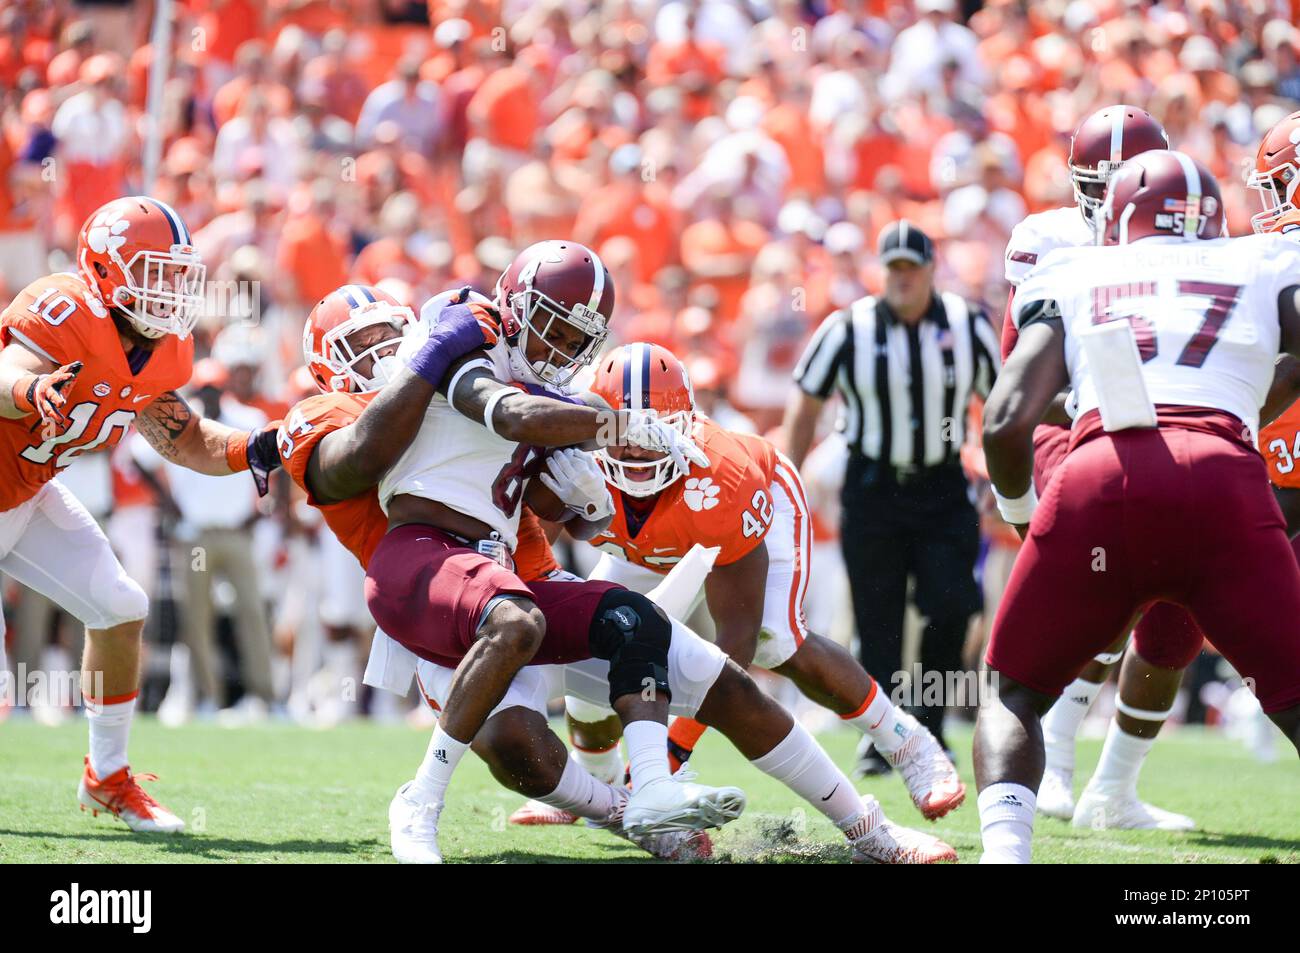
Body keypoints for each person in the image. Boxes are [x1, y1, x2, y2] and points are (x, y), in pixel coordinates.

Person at [976, 150, 1300, 863]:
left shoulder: (1072, 267)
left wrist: (1023, 512)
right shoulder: (1264, 259)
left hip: (1105, 475)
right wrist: (1247, 402)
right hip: (1225, 478)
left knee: (1012, 695)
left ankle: (1005, 856)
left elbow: (1003, 418)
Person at [510, 342, 964, 827]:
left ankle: (907, 741)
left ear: (685, 422)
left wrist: (674, 747)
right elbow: (533, 567)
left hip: (737, 506)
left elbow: (737, 640)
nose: (637, 447)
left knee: (777, 640)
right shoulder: (573, 458)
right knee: (588, 638)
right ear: (595, 424)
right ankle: (596, 787)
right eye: (623, 429)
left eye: (653, 429)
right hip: (641, 537)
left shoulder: (724, 478)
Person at [0, 196, 281, 833]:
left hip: (25, 493)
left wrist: (253, 449)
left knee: (122, 606)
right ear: (104, 268)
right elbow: (6, 369)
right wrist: (30, 389)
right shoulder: (64, 305)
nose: (169, 291)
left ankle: (106, 779)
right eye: (154, 274)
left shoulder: (163, 350)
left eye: (176, 275)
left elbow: (182, 439)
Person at [1001, 104, 1196, 830]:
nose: (1116, 195)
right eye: (1099, 180)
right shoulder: (1047, 240)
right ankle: (1052, 751)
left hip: (1166, 429)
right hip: (1066, 420)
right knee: (1111, 577)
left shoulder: (1198, 239)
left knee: (1179, 605)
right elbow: (1031, 378)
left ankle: (1114, 789)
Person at [783, 219, 999, 768]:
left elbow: (998, 406)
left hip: (943, 483)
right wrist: (785, 483)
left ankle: (927, 724)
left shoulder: (965, 323)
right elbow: (805, 404)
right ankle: (884, 737)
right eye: (894, 268)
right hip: (872, 484)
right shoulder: (847, 327)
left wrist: (1003, 478)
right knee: (876, 617)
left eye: (911, 268)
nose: (902, 279)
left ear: (930, 270)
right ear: (884, 272)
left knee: (953, 604)